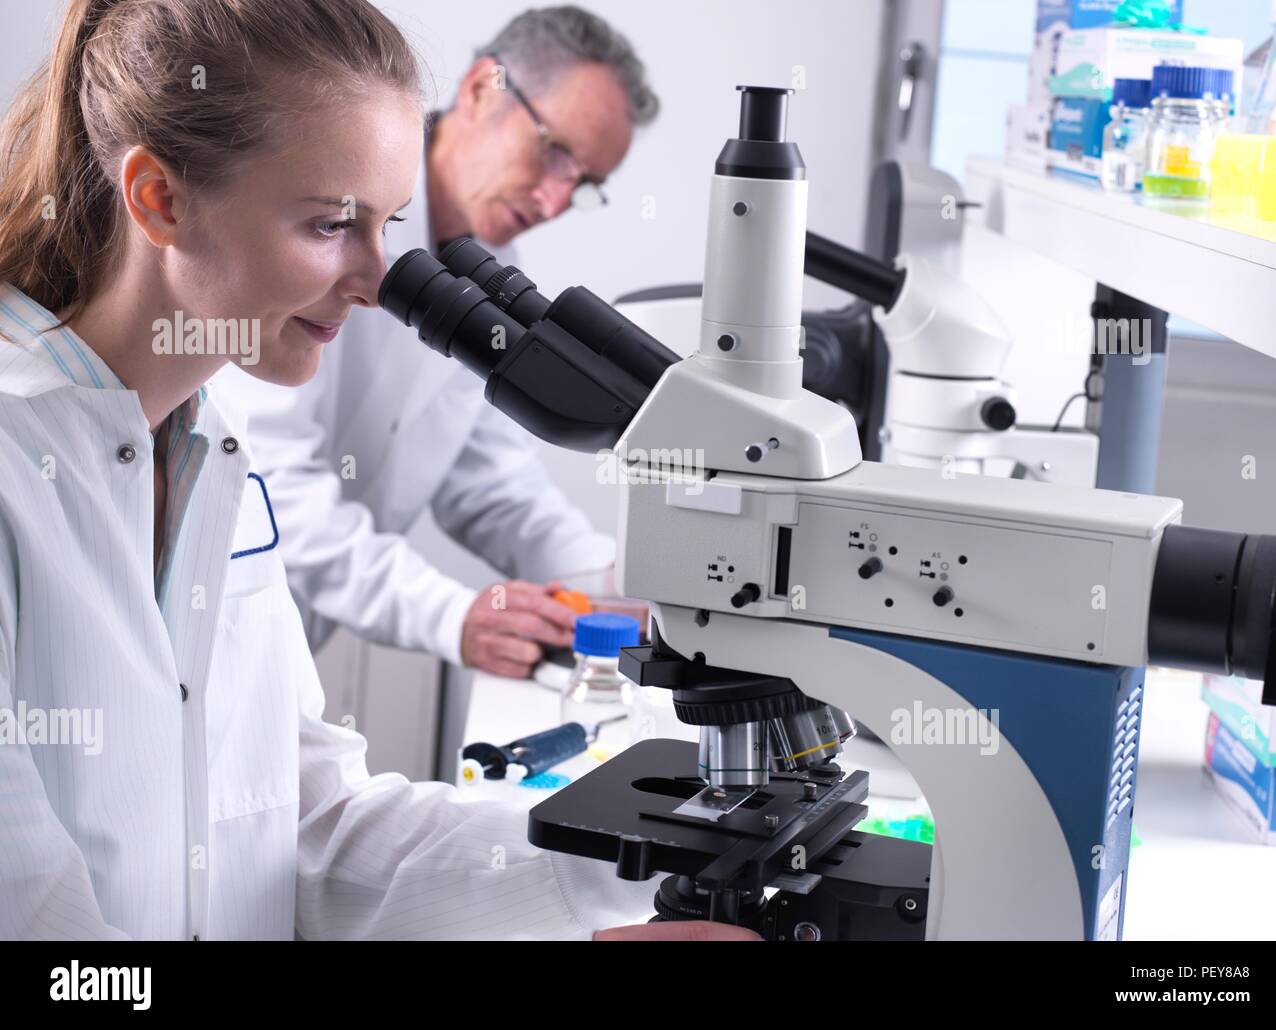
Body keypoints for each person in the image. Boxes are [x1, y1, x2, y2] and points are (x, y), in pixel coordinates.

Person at [0, 0, 752, 942]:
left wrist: (635, 856)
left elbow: (310, 830)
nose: (377, 280)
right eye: (329, 226)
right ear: (160, 198)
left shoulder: (211, 451)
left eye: (390, 225)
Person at [230, 6, 660, 678]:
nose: (553, 200)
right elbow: (270, 480)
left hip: (280, 650)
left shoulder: (488, 271)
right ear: (483, 87)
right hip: (211, 611)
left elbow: (486, 476)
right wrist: (447, 615)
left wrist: (617, 582)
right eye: (554, 151)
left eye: (583, 186)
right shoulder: (327, 219)